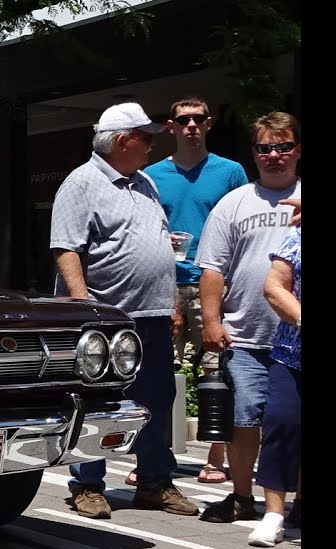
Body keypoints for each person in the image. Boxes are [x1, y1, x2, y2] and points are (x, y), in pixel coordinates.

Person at [49, 102, 197, 519]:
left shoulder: (145, 182)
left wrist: (169, 302)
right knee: (97, 399)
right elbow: (66, 247)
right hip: (106, 318)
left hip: (150, 313)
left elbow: (151, 243)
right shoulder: (81, 183)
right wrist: (83, 306)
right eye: (144, 137)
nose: (150, 145)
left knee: (157, 398)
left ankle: (154, 483)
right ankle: (87, 484)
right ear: (120, 141)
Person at [195, 111, 301, 524]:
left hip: (295, 337)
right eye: (264, 148)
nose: (274, 155)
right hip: (247, 333)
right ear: (254, 154)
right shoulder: (234, 203)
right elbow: (212, 268)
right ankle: (242, 496)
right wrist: (211, 321)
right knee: (245, 419)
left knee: (294, 422)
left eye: (283, 146)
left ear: (297, 150)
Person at [137, 97, 249, 486]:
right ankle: (150, 457)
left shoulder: (230, 172)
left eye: (197, 120)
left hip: (213, 284)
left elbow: (243, 224)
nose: (190, 127)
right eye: (183, 120)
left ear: (208, 124)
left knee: (217, 371)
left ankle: (215, 459)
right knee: (154, 374)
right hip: (162, 284)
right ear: (170, 127)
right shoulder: (152, 175)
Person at [248, 225, 301, 546]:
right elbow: (274, 287)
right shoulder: (298, 237)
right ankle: (274, 515)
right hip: (291, 356)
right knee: (281, 424)